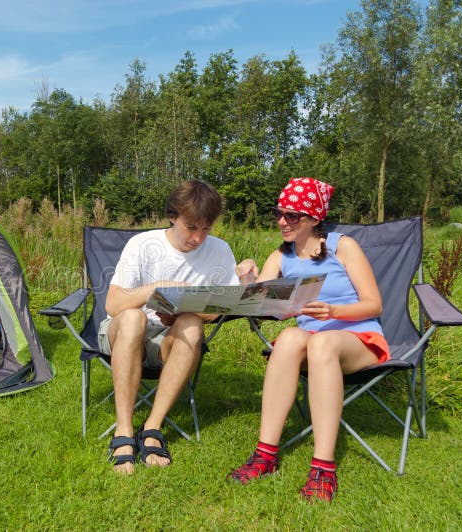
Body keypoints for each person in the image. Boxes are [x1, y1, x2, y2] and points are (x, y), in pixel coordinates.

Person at [226, 177, 390, 502]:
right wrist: (247, 278)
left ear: (314, 218)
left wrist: (333, 312)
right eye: (279, 214)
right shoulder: (281, 256)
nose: (282, 222)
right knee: (287, 338)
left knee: (321, 343)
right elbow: (257, 306)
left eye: (292, 215)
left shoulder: (343, 247)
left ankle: (323, 468)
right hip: (311, 340)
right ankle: (265, 454)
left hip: (358, 338)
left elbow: (374, 303)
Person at [100, 180, 257, 474]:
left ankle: (152, 427)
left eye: (206, 229)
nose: (198, 238)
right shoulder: (143, 245)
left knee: (192, 324)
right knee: (135, 317)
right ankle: (123, 429)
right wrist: (154, 290)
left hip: (169, 341)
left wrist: (244, 281)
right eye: (191, 227)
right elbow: (112, 304)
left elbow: (225, 307)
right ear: (173, 216)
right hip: (124, 334)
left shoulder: (220, 251)